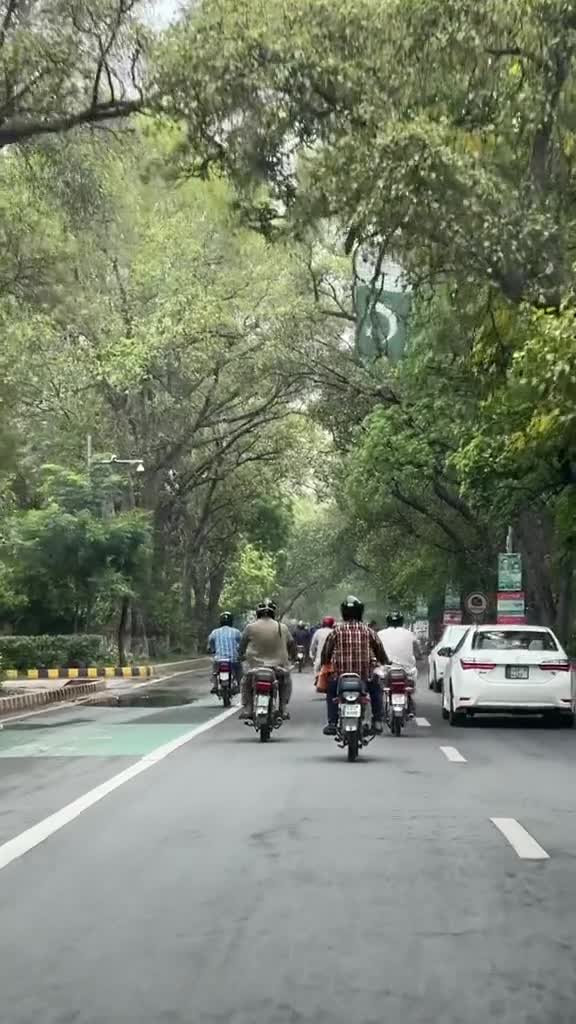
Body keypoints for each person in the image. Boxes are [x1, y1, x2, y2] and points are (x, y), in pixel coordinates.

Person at [321, 596, 388, 735]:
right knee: (376, 690)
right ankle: (377, 721)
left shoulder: (336, 631)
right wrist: (384, 661)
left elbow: (326, 652)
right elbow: (380, 651)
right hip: (364, 678)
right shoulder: (368, 631)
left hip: (340, 677)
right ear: (360, 612)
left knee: (331, 691)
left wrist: (325, 663)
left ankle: (332, 723)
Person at [238, 599, 296, 720]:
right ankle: (283, 708)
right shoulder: (282, 627)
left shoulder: (250, 627)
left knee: (246, 682)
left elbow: (242, 646)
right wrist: (293, 657)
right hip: (278, 668)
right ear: (273, 613)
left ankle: (248, 708)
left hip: (255, 667)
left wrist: (240, 656)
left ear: (258, 613)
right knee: (285, 682)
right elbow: (291, 644)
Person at [378, 612, 421, 715]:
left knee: (379, 684)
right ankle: (409, 697)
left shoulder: (380, 634)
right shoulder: (410, 634)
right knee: (412, 680)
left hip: (386, 669)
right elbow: (417, 651)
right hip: (406, 670)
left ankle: (379, 709)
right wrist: (419, 655)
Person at [207, 611, 242, 693]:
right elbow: (241, 643)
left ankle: (215, 686)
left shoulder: (215, 632)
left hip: (219, 659)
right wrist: (241, 652)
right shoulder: (236, 632)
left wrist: (211, 649)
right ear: (231, 621)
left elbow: (210, 642)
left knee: (215, 671)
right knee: (239, 670)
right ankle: (240, 685)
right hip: (233, 659)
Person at [310, 616, 335, 682]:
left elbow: (313, 645)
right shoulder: (334, 632)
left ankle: (317, 678)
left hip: (319, 659)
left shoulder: (318, 632)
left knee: (316, 669)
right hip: (332, 660)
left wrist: (312, 655)